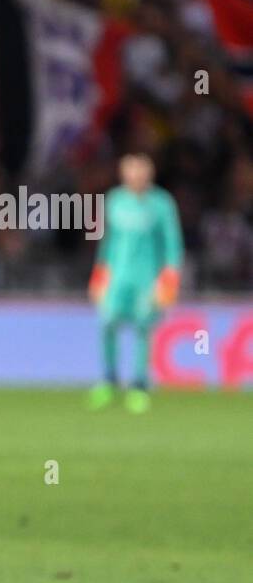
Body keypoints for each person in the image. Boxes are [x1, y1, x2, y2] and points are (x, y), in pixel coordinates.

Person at [88, 153, 184, 413]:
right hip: (118, 276)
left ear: (150, 174)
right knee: (107, 323)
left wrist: (169, 279)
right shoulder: (115, 201)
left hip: (147, 279)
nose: (136, 176)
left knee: (144, 329)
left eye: (141, 171)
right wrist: (99, 275)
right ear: (123, 173)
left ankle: (139, 384)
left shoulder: (162, 204)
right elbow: (107, 243)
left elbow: (172, 245)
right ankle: (109, 379)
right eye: (131, 171)